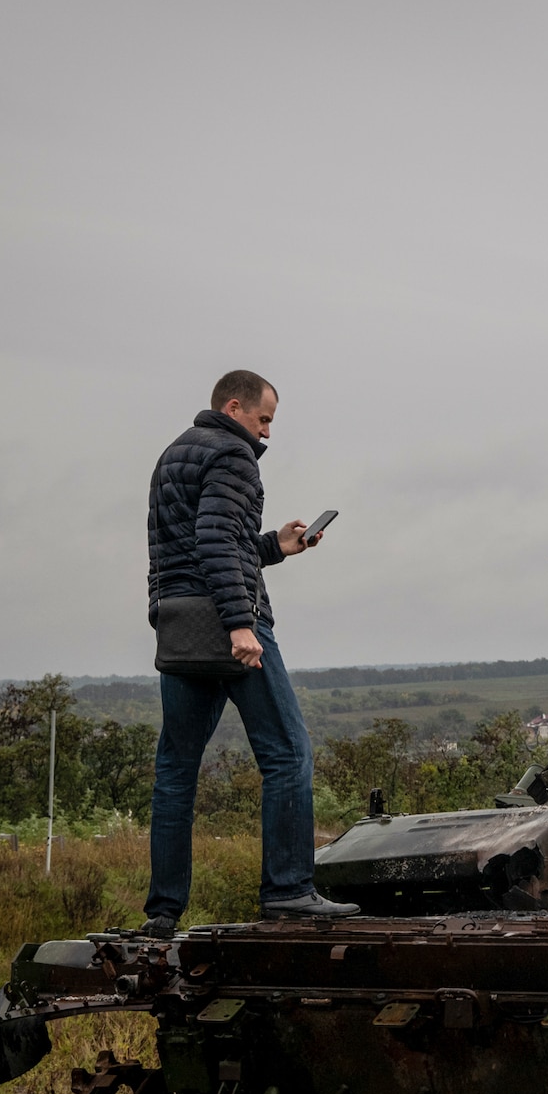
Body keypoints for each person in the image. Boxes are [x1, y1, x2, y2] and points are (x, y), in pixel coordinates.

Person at [142, 369, 357, 935]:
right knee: (288, 754)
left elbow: (198, 543)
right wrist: (240, 624)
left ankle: (163, 911)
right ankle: (288, 892)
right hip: (232, 622)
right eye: (264, 419)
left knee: (175, 770)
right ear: (234, 407)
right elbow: (214, 541)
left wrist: (275, 547)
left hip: (180, 626)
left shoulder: (174, 453)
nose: (267, 432)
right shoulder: (234, 454)